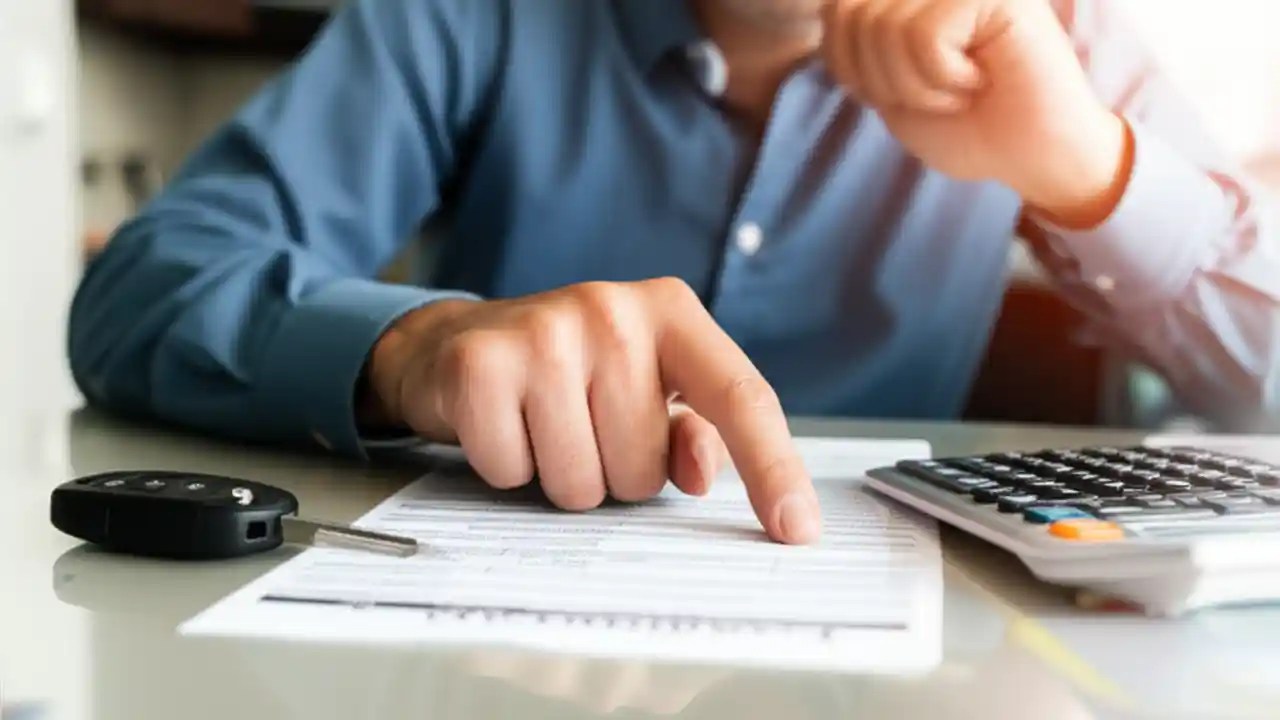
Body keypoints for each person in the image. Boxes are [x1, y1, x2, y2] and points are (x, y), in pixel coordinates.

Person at [69, 0, 1280, 545]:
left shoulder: (1053, 28)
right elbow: (145, 285)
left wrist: (1092, 174)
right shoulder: (471, 14)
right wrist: (416, 347)